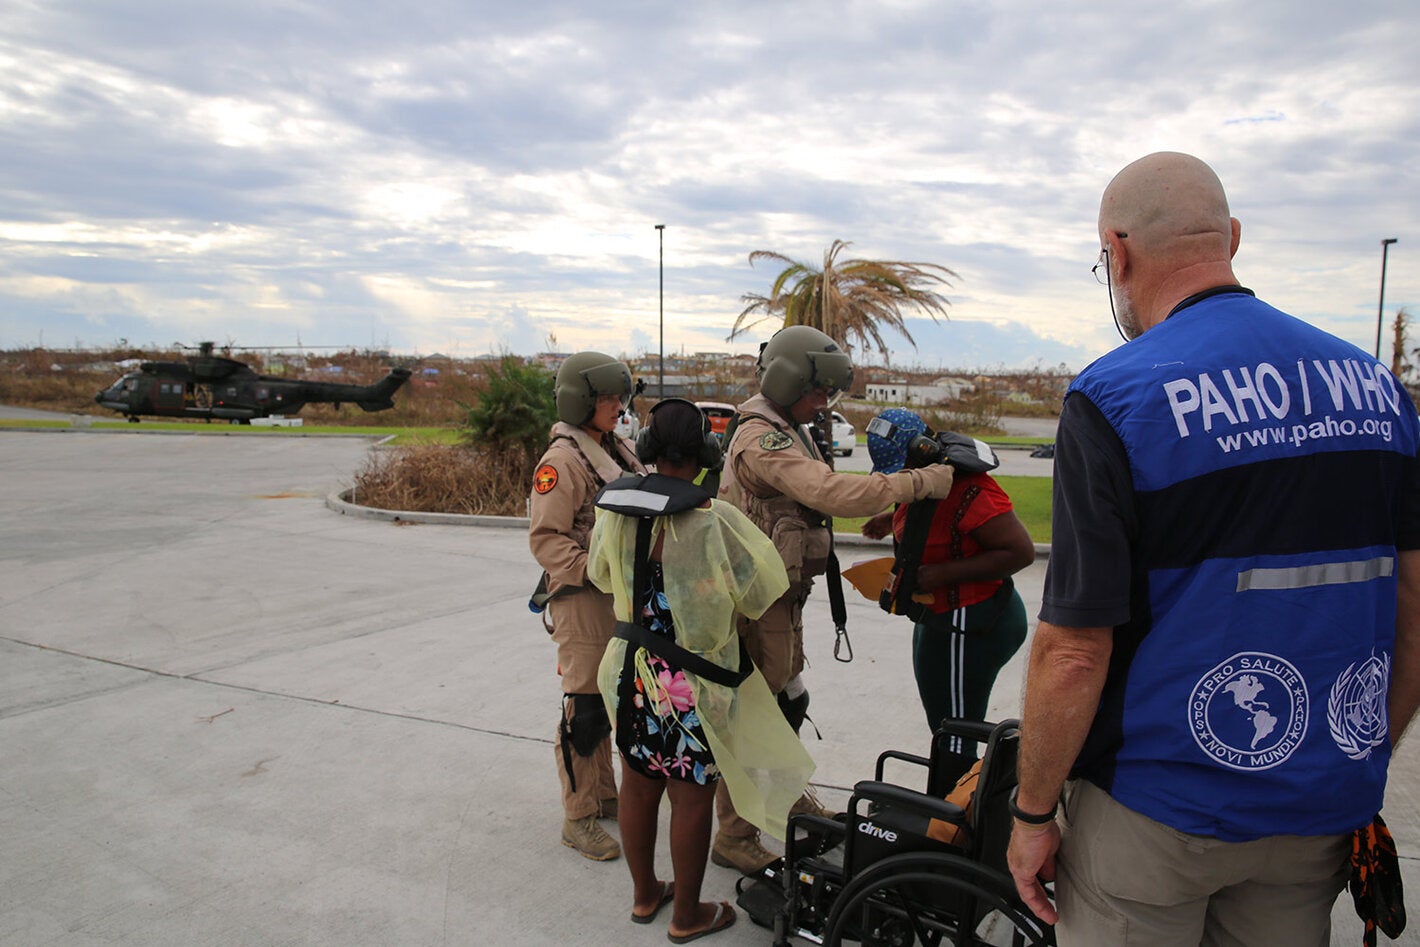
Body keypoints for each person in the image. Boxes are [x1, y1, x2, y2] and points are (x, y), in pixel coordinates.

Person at [1006, 152, 1420, 944]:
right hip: (1320, 809)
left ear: (1116, 254)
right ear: (1231, 236)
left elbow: (1073, 650)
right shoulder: (1378, 389)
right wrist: (1356, 764)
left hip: (1156, 814)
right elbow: (1413, 608)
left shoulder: (1115, 396)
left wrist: (1031, 814)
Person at [713, 324, 958, 873]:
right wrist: (919, 482)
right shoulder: (762, 435)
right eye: (818, 390)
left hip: (780, 595)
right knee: (757, 714)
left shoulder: (789, 423)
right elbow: (825, 491)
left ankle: (784, 796)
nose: (825, 402)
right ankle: (733, 833)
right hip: (757, 603)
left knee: (787, 704)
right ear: (788, 378)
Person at [587, 398, 813, 942]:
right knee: (691, 795)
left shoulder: (616, 512)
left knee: (638, 786)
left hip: (630, 673)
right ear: (707, 453)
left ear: (645, 449)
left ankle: (645, 896)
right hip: (691, 685)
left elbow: (598, 575)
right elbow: (761, 592)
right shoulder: (717, 520)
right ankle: (687, 915)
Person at [860, 408, 1035, 755]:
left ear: (924, 449)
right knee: (943, 723)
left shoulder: (971, 490)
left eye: (905, 469)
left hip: (971, 621)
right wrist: (891, 518)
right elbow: (929, 511)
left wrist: (939, 574)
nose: (904, 479)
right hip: (941, 616)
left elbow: (1020, 552)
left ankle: (952, 806)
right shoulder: (931, 478)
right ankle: (946, 801)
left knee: (955, 733)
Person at [528, 351, 646, 862]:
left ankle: (602, 795)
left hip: (617, 596)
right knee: (585, 710)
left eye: (620, 396)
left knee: (612, 699)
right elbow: (546, 540)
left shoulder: (613, 447)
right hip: (583, 600)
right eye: (607, 398)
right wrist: (594, 569)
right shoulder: (562, 461)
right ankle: (577, 817)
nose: (618, 406)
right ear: (581, 401)